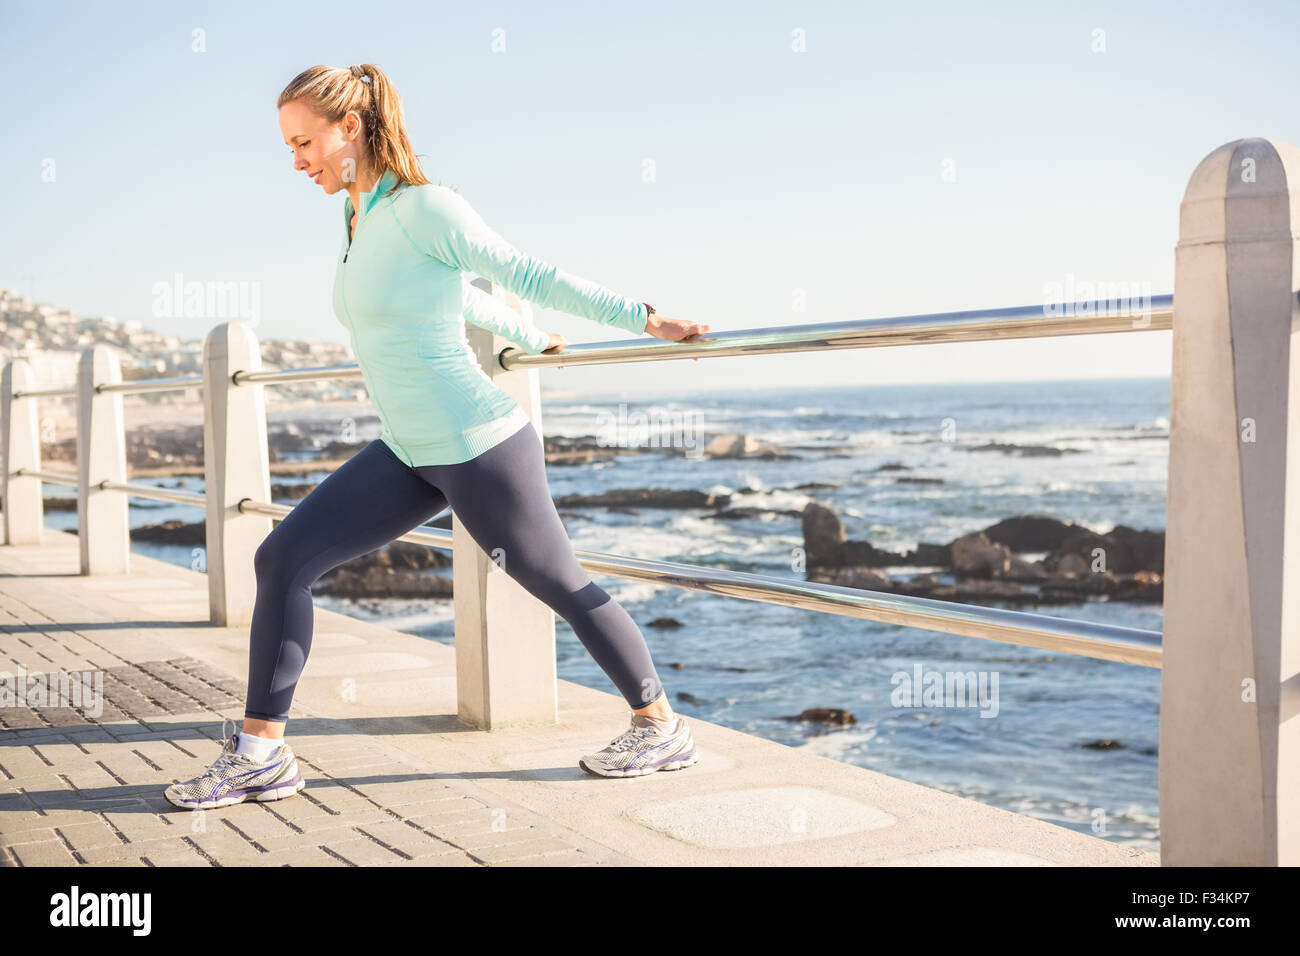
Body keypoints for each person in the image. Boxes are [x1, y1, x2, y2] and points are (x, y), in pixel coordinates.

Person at [163, 62, 711, 810]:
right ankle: (262, 755)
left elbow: (524, 270)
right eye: (289, 147)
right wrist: (524, 333)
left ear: (349, 128)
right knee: (281, 557)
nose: (295, 161)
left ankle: (659, 726)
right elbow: (446, 298)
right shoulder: (356, 216)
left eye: (304, 143)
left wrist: (647, 319)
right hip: (408, 450)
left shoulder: (428, 208)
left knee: (556, 581)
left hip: (476, 441)